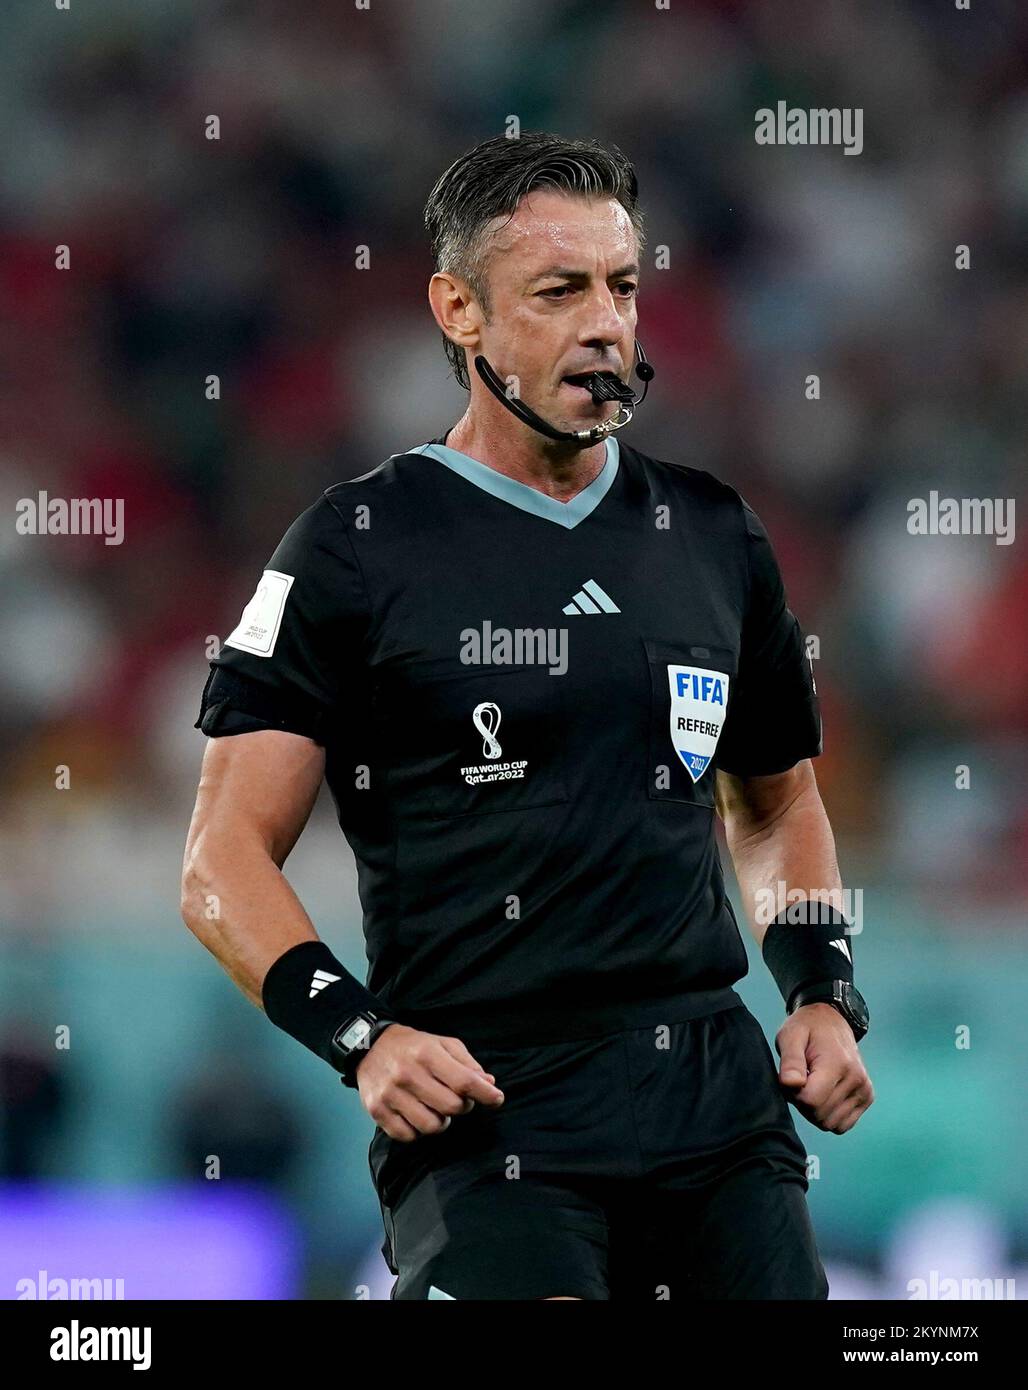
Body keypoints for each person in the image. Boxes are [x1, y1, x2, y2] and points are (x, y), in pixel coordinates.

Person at [181, 132, 873, 1300]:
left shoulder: (711, 535)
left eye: (622, 286)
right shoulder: (354, 551)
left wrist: (818, 990)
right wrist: (361, 1037)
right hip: (492, 1106)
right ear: (458, 309)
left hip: (712, 1096)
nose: (606, 323)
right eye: (559, 291)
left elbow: (774, 801)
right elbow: (219, 860)